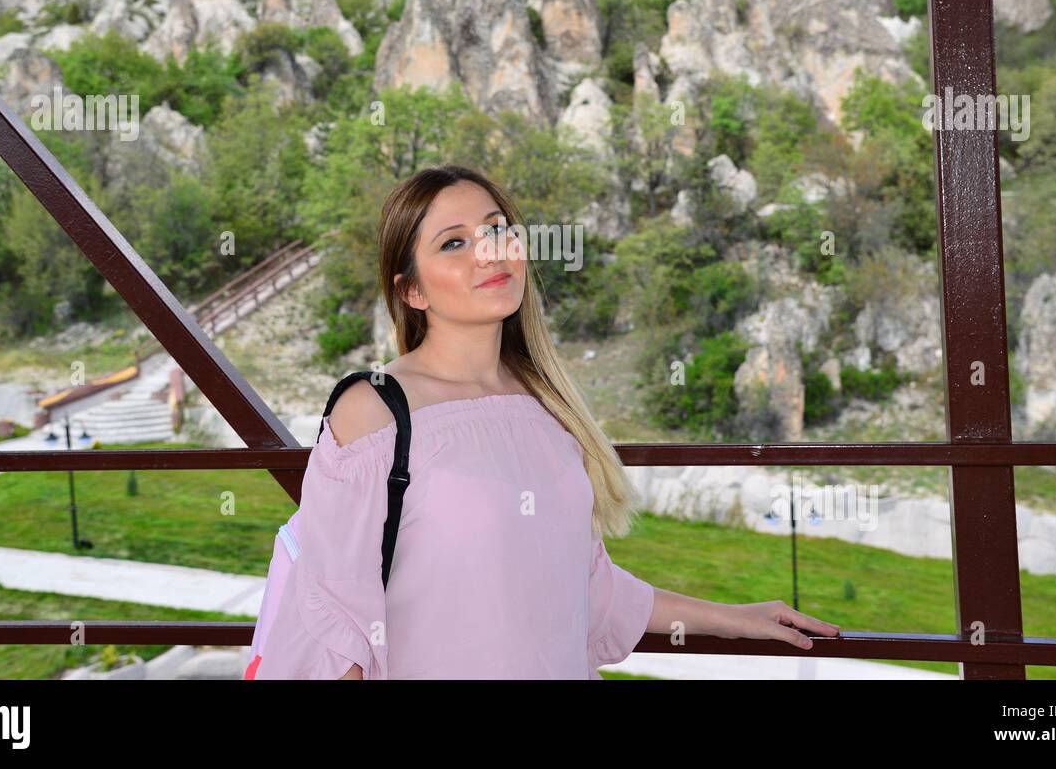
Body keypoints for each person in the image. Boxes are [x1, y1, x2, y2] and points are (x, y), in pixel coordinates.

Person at [247, 164, 840, 679]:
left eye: (498, 229)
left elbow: (587, 590)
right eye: (454, 244)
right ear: (412, 291)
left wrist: (737, 620)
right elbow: (333, 619)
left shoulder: (549, 406)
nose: (491, 251)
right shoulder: (374, 409)